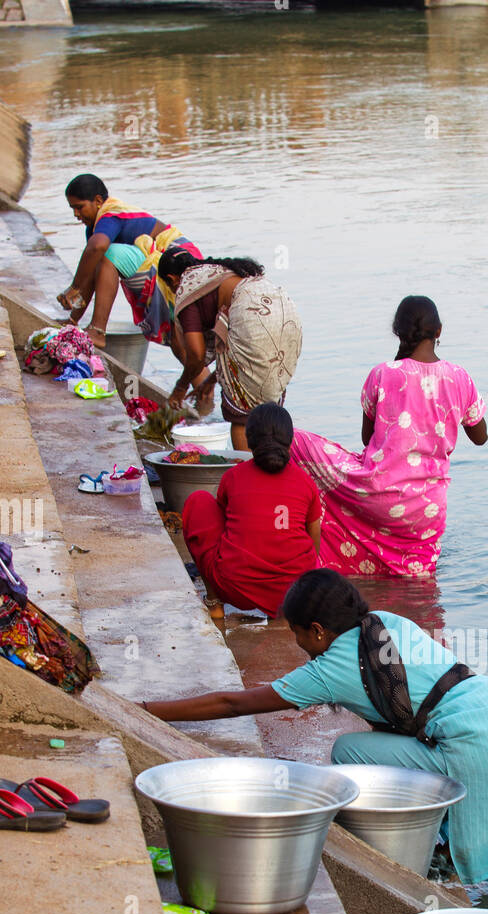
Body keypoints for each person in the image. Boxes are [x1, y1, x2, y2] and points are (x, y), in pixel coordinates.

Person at [142, 569, 488, 912]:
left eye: (298, 634)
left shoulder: (328, 668)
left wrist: (148, 712)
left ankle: (435, 852)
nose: (300, 645)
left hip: (476, 747)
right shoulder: (386, 623)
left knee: (349, 752)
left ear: (318, 631)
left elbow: (232, 704)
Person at [288, 295, 487, 578]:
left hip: (377, 496)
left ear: (397, 332)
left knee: (295, 442)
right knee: (420, 585)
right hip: (427, 511)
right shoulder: (460, 377)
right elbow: (480, 437)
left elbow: (366, 437)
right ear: (439, 331)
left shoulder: (382, 374)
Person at [181, 403, 322, 620]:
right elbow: (314, 541)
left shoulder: (233, 477)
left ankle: (214, 602)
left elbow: (220, 524)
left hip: (235, 588)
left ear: (247, 440)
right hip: (294, 593)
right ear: (291, 441)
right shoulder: (306, 481)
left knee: (198, 501)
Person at [158, 249, 303, 451]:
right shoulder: (217, 271)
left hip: (254, 319)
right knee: (268, 409)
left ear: (172, 279)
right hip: (285, 312)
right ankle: (274, 471)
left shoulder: (187, 287)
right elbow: (228, 351)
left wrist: (180, 389)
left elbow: (196, 355)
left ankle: (248, 475)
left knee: (242, 414)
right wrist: (209, 381)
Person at [57, 175, 203, 363]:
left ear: (98, 201)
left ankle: (98, 331)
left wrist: (74, 287)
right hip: (161, 261)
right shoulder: (95, 229)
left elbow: (98, 248)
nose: (76, 214)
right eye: (72, 209)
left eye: (79, 207)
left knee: (107, 253)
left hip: (177, 259)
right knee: (178, 339)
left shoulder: (111, 214)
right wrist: (72, 320)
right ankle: (202, 388)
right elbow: (91, 278)